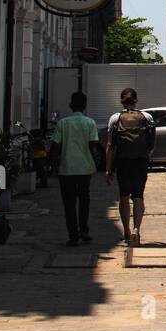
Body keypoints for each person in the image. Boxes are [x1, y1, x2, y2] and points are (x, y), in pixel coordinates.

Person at [105, 87, 156, 246]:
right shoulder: (147, 117)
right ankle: (137, 230)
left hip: (123, 161)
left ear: (121, 101)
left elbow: (110, 145)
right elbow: (152, 143)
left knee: (124, 197)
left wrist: (108, 169)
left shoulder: (115, 118)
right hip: (140, 161)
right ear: (136, 100)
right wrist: (146, 156)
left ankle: (126, 231)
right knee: (138, 196)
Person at [51, 92, 101, 246]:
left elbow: (55, 146)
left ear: (71, 105)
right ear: (84, 106)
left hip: (66, 169)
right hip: (85, 168)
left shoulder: (62, 123)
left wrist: (51, 162)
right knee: (84, 201)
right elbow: (93, 145)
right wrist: (96, 158)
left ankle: (73, 235)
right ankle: (84, 231)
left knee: (69, 204)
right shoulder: (90, 123)